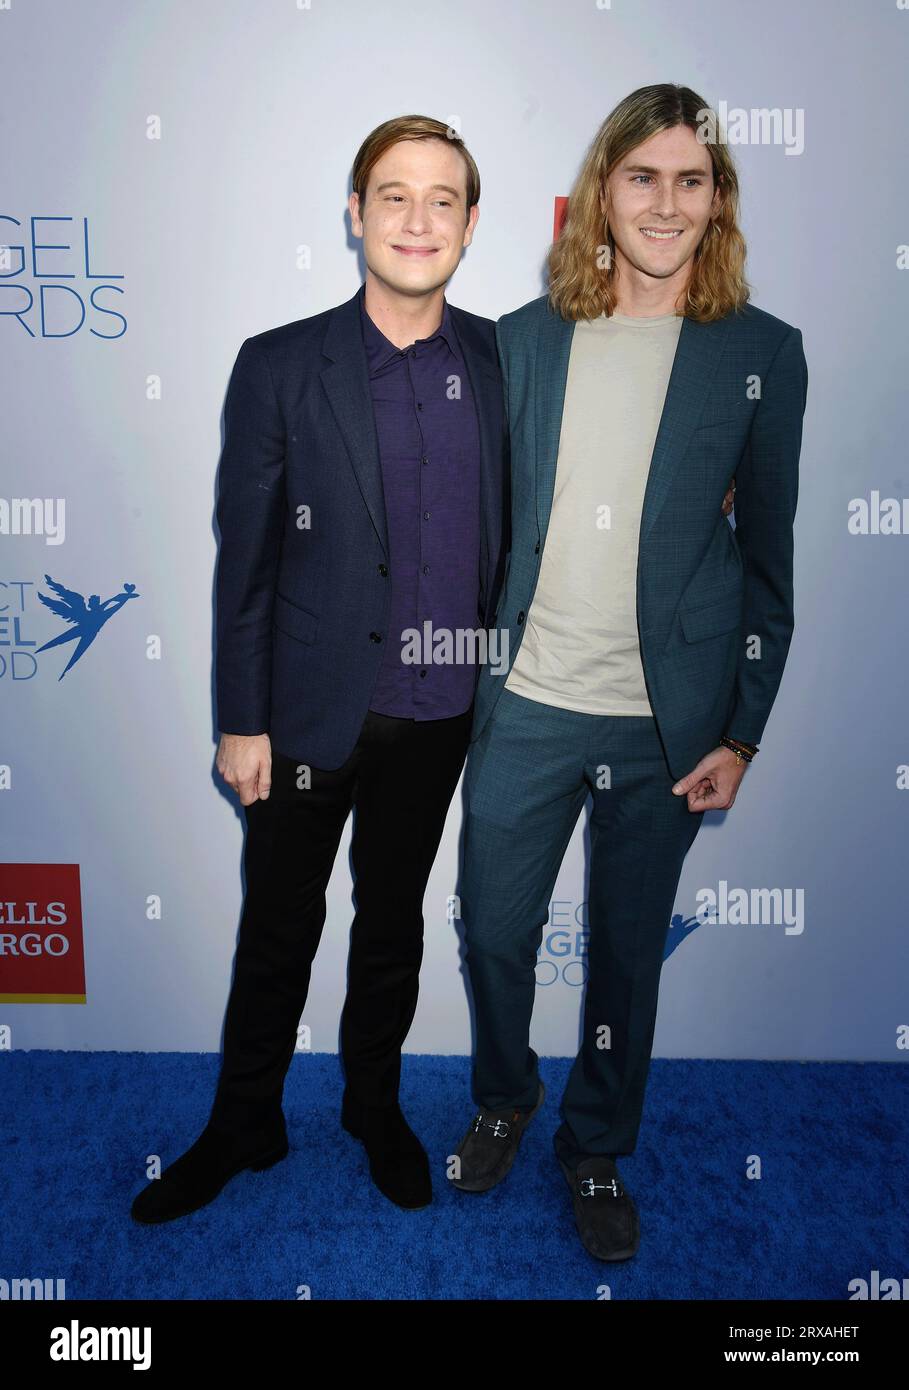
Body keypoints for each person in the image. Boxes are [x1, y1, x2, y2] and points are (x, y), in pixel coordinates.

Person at [450, 83, 808, 1262]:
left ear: (719, 201)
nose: (665, 201)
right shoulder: (523, 338)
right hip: (533, 702)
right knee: (494, 931)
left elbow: (769, 560)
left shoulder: (760, 354)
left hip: (670, 721)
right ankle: (506, 1092)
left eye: (690, 179)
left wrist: (741, 731)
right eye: (642, 176)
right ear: (602, 188)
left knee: (623, 956)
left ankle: (595, 1145)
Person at [131, 114, 509, 1222]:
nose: (417, 219)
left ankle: (372, 1106)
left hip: (443, 705)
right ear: (354, 213)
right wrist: (240, 718)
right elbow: (241, 562)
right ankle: (244, 1117)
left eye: (443, 200)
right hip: (303, 715)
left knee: (391, 925)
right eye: (393, 195)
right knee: (278, 927)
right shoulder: (280, 363)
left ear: (473, 224)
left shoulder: (503, 359)